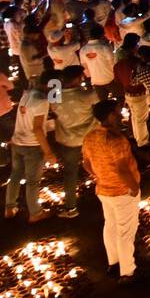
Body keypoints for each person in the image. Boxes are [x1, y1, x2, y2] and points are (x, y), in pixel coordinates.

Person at [82, 100, 142, 283]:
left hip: (103, 190)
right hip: (122, 192)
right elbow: (122, 168)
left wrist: (101, 175)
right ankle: (127, 272)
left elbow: (86, 163)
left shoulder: (90, 137)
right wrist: (134, 187)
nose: (121, 114)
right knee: (126, 232)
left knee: (111, 226)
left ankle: (113, 262)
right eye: (117, 112)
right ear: (109, 115)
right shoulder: (116, 140)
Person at [49, 65, 97, 219]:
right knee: (100, 165)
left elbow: (52, 85)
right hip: (90, 138)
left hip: (68, 141)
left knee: (70, 173)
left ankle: (71, 207)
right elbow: (100, 98)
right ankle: (108, 192)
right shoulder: (86, 96)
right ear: (78, 79)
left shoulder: (54, 96)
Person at [6, 83, 54, 223]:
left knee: (15, 175)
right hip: (32, 146)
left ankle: (9, 208)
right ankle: (35, 213)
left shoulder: (26, 95)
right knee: (32, 181)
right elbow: (38, 129)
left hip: (17, 142)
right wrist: (48, 152)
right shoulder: (42, 102)